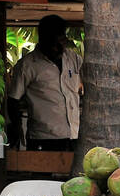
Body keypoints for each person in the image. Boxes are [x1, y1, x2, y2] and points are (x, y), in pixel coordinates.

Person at [7, 15, 83, 151]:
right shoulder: (28, 65)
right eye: (54, 43)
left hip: (74, 134)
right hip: (44, 137)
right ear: (43, 39)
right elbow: (13, 100)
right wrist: (16, 130)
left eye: (61, 40)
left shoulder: (73, 58)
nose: (59, 47)